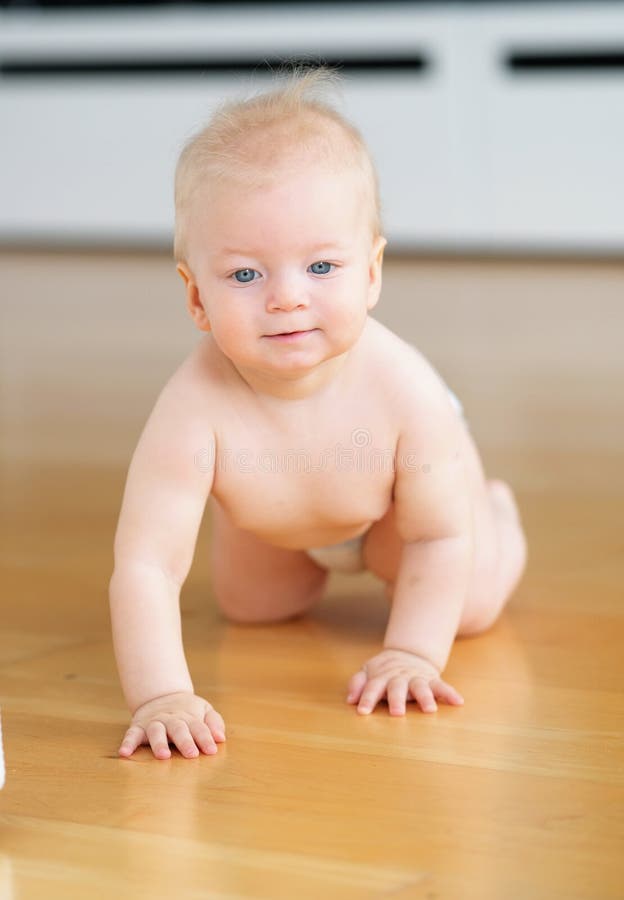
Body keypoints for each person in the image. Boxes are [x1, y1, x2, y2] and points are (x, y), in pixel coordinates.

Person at [110, 68, 527, 761]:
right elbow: (147, 564)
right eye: (246, 274)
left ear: (371, 273)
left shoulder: (405, 391)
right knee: (254, 609)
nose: (286, 298)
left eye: (322, 267)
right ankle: (256, 516)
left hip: (399, 508)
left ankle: (500, 515)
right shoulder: (191, 406)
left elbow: (436, 540)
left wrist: (412, 654)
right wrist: (161, 695)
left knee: (470, 603)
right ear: (195, 297)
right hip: (273, 513)